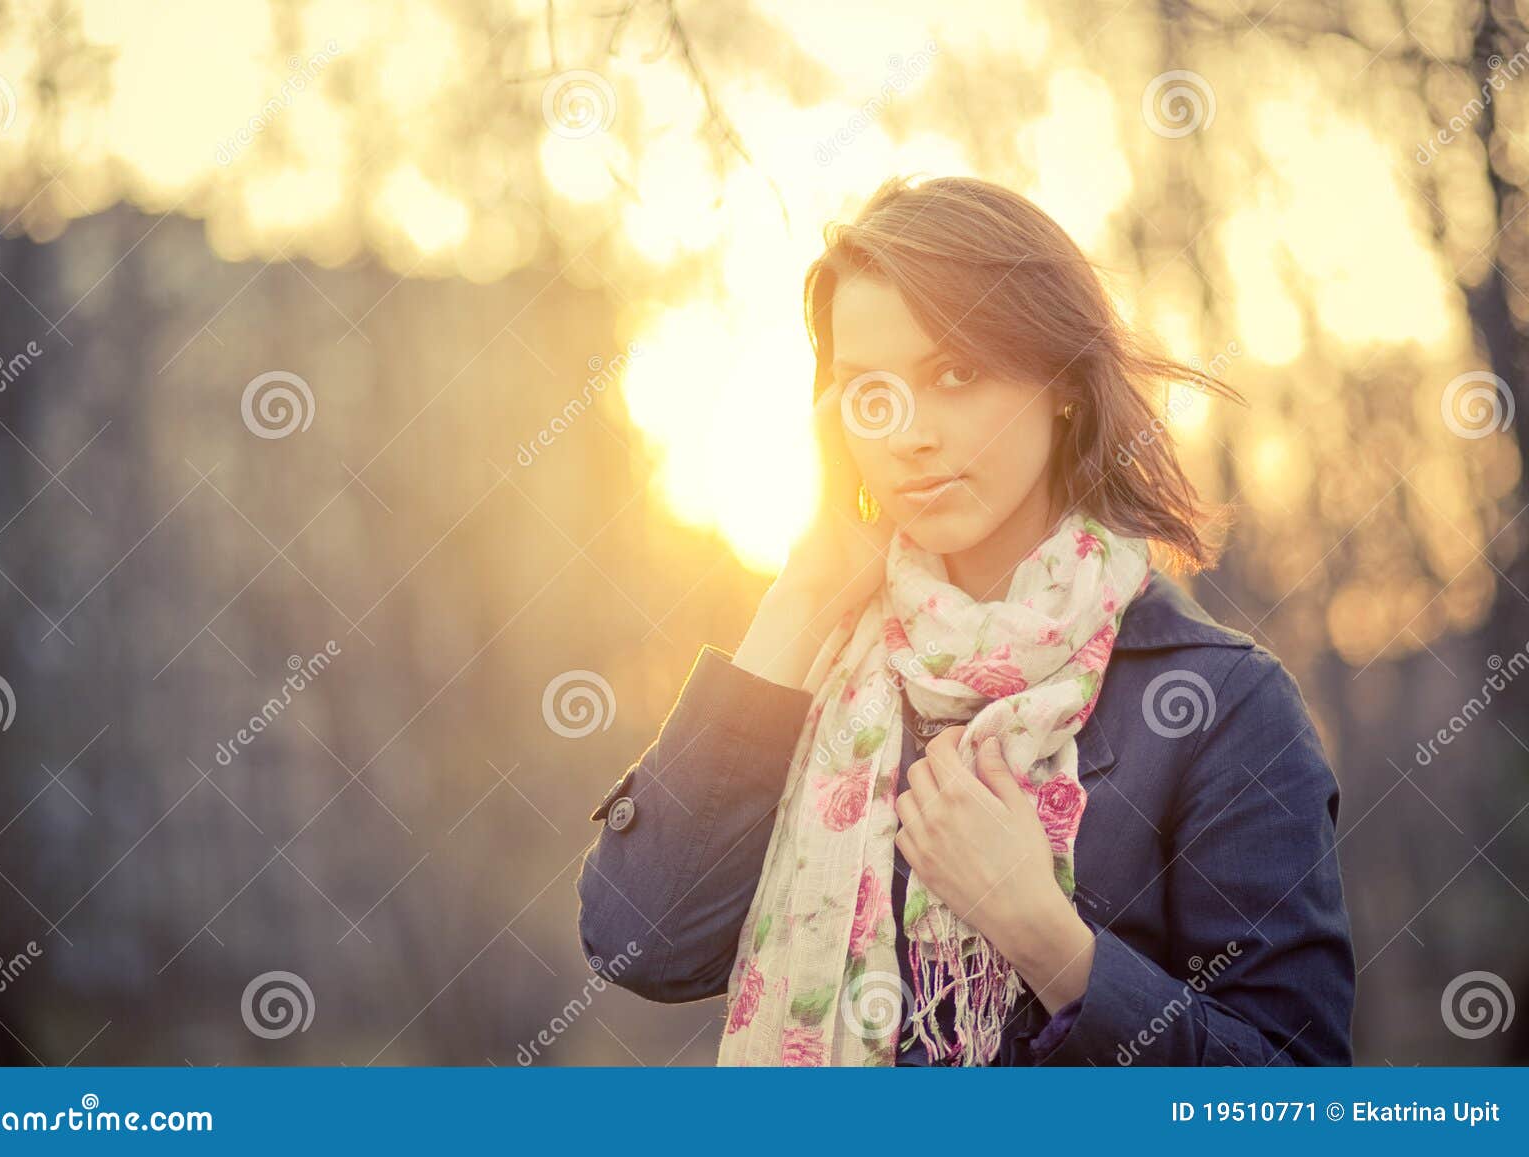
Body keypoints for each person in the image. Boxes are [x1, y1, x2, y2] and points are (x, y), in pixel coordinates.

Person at [574, 174, 1355, 1066]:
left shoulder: (1219, 705)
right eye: (871, 390)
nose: (908, 432)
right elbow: (644, 943)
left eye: (954, 372)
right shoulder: (820, 671)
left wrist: (1046, 936)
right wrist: (800, 598)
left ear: (1062, 380)